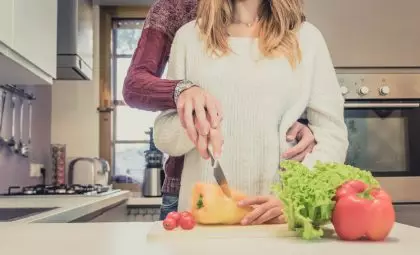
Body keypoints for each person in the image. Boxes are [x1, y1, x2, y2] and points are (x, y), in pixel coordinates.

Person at [152, 0, 349, 225]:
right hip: (204, 222)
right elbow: (164, 136)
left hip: (278, 218)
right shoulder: (189, 37)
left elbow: (332, 134)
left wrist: (294, 198)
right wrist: (195, 123)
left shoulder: (307, 38)